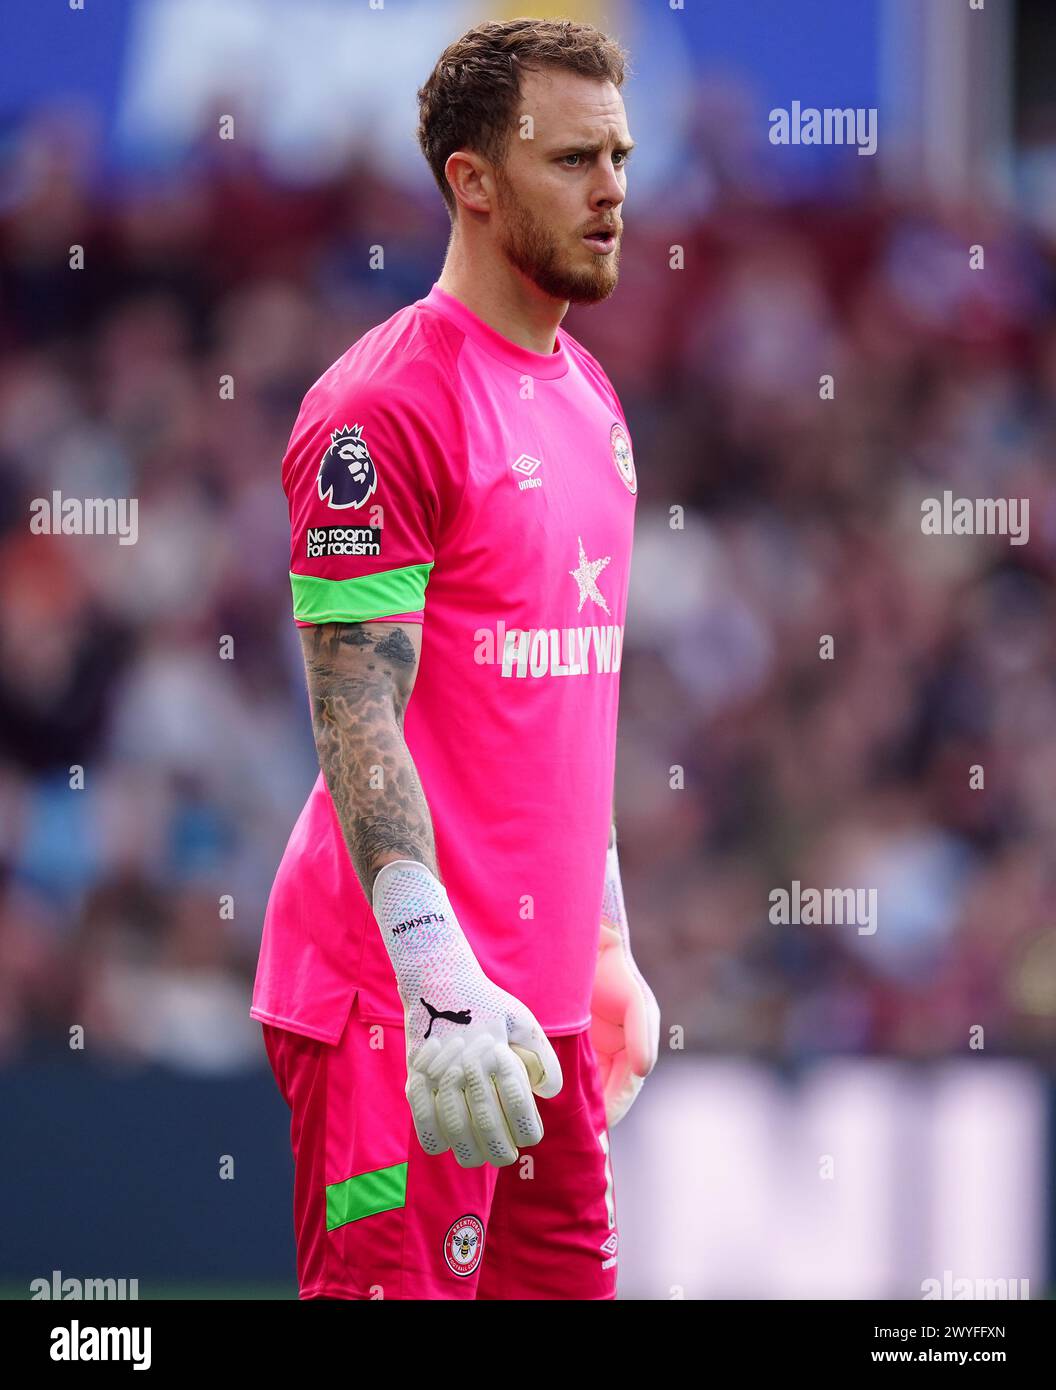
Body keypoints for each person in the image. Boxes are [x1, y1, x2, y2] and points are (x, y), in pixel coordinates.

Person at [252, 16, 659, 1301]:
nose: (611, 193)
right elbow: (353, 705)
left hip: (534, 1014)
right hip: (398, 1009)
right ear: (471, 182)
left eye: (621, 157)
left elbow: (557, 695)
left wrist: (602, 942)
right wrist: (434, 980)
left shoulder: (592, 399)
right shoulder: (383, 409)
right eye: (573, 160)